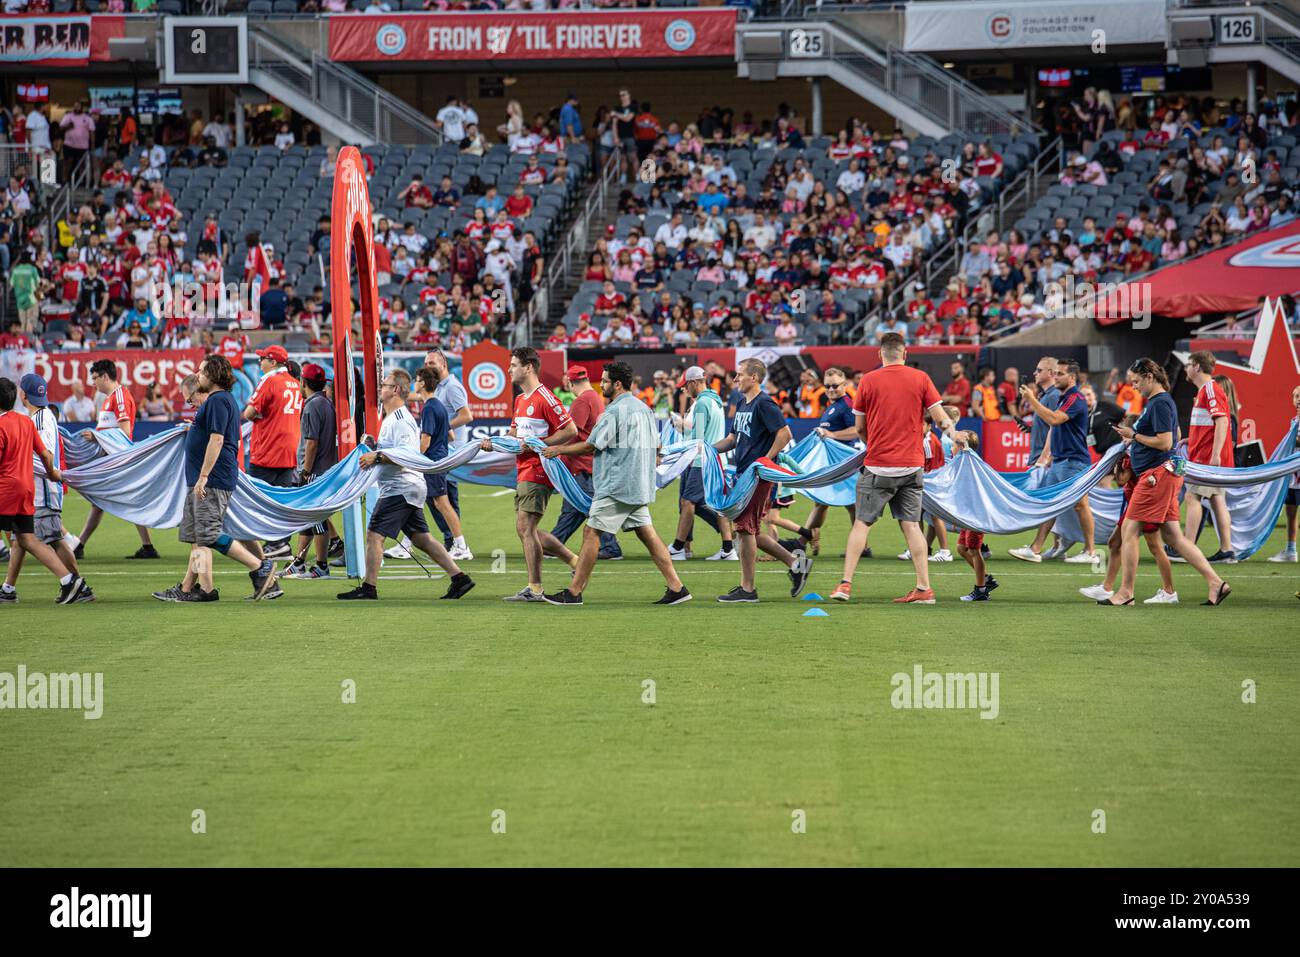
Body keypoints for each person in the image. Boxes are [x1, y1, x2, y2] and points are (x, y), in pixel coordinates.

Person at [540, 361, 690, 606]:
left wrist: (558, 450)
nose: (603, 385)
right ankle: (677, 587)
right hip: (638, 483)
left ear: (617, 384)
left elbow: (592, 444)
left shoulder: (614, 411)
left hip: (617, 484)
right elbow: (657, 448)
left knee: (591, 532)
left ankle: (574, 592)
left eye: (606, 381)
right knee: (647, 534)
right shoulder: (644, 409)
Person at [832, 333, 966, 604]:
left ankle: (845, 584)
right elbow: (941, 419)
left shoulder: (868, 380)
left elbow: (859, 427)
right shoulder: (921, 378)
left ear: (880, 355)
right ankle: (923, 588)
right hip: (912, 465)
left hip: (879, 465)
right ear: (904, 354)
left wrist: (874, 444)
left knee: (862, 522)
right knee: (911, 526)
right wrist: (955, 433)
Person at [337, 370, 475, 602]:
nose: (381, 388)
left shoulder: (400, 420)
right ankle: (459, 578)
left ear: (396, 390)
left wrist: (377, 457)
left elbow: (408, 453)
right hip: (407, 486)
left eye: (385, 384)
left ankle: (369, 588)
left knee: (374, 535)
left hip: (401, 487)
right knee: (422, 539)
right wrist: (374, 446)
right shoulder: (394, 418)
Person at [1102, 358, 1230, 606]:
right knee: (1174, 537)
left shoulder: (1159, 403)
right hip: (1165, 473)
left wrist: (1134, 435)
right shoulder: (1160, 403)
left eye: (1137, 381)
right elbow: (1177, 436)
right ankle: (1216, 583)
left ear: (1150, 376)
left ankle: (1126, 592)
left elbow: (1165, 442)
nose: (1135, 386)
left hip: (1156, 476)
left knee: (1129, 530)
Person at [164, 356, 283, 602]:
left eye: (201, 371)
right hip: (205, 477)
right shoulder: (219, 401)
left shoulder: (218, 401)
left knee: (207, 534)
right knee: (197, 536)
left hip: (212, 478)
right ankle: (193, 589)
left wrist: (204, 476)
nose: (197, 375)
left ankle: (260, 568)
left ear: (213, 374)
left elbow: (217, 440)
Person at [711, 357, 813, 603]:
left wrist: (765, 460)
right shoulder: (742, 403)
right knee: (750, 531)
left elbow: (784, 433)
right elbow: (733, 439)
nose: (735, 379)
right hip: (745, 474)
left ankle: (748, 589)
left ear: (753, 377)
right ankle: (796, 564)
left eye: (739, 374)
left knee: (744, 529)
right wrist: (708, 449)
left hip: (758, 475)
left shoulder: (764, 403)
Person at [481, 347, 577, 602]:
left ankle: (535, 588)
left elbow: (570, 430)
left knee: (525, 526)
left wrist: (539, 443)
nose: (509, 369)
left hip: (539, 469)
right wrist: (495, 442)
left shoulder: (545, 397)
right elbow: (514, 435)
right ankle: (573, 560)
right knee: (527, 528)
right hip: (523, 468)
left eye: (513, 365)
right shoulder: (521, 399)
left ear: (529, 367)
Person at [1, 375, 92, 603]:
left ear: (24, 395)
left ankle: (76, 584)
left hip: (42, 489)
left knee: (42, 539)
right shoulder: (35, 418)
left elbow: (46, 455)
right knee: (25, 538)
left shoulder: (39, 419)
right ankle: (9, 588)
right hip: (36, 488)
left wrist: (44, 471)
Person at [1011, 359, 1098, 563]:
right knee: (1049, 504)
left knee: (1081, 505)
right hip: (1061, 460)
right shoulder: (1064, 397)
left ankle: (1091, 552)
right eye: (1055, 373)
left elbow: (1055, 420)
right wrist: (1048, 457)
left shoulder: (1074, 397)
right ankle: (1036, 548)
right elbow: (1055, 426)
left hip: (1073, 461)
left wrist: (1031, 399)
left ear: (1072, 377)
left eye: (1060, 374)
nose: (1055, 377)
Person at [778, 367, 867, 558]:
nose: (831, 389)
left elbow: (857, 430)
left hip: (843, 461)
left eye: (835, 385)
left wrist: (832, 434)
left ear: (845, 384)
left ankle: (802, 541)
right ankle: (804, 541)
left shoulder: (847, 405)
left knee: (832, 501)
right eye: (828, 386)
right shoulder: (832, 405)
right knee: (832, 502)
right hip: (835, 461)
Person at [75, 359, 158, 561]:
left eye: (95, 378)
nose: (93, 383)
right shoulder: (109, 398)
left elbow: (125, 431)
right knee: (107, 501)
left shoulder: (119, 396)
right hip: (112, 459)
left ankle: (78, 545)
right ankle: (147, 547)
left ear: (105, 376)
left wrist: (97, 436)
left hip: (117, 460)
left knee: (104, 500)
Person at [540, 364, 622, 561]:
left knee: (587, 507)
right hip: (588, 464)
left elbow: (571, 433)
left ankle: (610, 547)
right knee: (576, 507)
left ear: (569, 382)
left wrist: (549, 446)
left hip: (581, 464)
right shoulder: (595, 397)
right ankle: (554, 543)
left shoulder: (582, 401)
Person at [1079, 445, 1179, 604]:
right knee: (1115, 542)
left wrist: (1116, 462)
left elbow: (1122, 479)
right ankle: (1106, 587)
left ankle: (1169, 591)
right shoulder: (1135, 449)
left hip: (1143, 502)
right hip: (1133, 501)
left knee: (1155, 546)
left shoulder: (1135, 452)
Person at [670, 365, 734, 562]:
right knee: (712, 504)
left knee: (688, 501)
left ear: (694, 382)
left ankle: (679, 547)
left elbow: (696, 437)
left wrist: (680, 426)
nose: (684, 389)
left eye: (686, 385)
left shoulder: (701, 404)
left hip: (701, 459)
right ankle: (728, 548)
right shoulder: (714, 400)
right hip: (713, 459)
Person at [243, 344, 301, 559]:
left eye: (263, 359)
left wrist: (259, 415)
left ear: (273, 362)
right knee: (281, 501)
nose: (260, 362)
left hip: (268, 449)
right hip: (289, 451)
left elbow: (249, 413)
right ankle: (281, 544)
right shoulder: (295, 383)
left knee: (258, 501)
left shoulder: (269, 380)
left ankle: (265, 544)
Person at [1179, 351, 1236, 563]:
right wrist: (1191, 440)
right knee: (1217, 499)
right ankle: (1226, 550)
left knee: (1191, 497)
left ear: (1196, 367)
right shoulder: (1206, 390)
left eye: (1188, 365)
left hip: (1207, 459)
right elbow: (1210, 425)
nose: (1185, 369)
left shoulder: (1210, 389)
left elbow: (1221, 421)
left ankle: (1187, 547)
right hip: (1205, 455)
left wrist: (1215, 455)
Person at [285, 363, 337, 580]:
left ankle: (322, 566)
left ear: (303, 383)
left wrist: (305, 471)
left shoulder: (312, 406)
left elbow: (311, 442)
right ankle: (299, 562)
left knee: (317, 521)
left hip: (314, 472)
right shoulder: (326, 402)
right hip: (325, 469)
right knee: (308, 520)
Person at [413, 367, 467, 564]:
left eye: (416, 379)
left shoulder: (428, 407)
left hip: (433, 462)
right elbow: (450, 435)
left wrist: (412, 459)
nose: (414, 382)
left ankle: (461, 545)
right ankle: (408, 543)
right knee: (417, 499)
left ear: (422, 383)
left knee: (442, 504)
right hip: (439, 459)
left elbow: (425, 440)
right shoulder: (439, 406)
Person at [950, 433, 999, 601]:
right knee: (961, 549)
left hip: (976, 515)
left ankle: (981, 590)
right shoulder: (962, 464)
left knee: (974, 550)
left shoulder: (970, 464)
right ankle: (986, 579)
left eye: (954, 445)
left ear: (963, 448)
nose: (951, 448)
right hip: (968, 515)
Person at [1268, 384, 1300, 562]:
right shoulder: (1294, 420)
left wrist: (1293, 438)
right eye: (1295, 396)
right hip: (1294, 475)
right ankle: (1291, 550)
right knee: (1291, 511)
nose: (1298, 399)